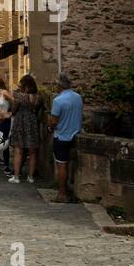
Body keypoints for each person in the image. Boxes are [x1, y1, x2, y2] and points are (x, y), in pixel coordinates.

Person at [49, 73, 83, 202]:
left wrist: (49, 127)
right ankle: (69, 188)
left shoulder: (58, 100)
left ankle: (62, 193)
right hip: (75, 134)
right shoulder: (78, 97)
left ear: (59, 85)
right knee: (70, 163)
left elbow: (53, 121)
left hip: (62, 136)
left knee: (61, 165)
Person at [8, 74, 41, 183]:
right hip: (32, 122)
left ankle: (16, 176)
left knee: (19, 150)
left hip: (21, 122)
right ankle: (30, 177)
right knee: (32, 151)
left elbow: (13, 109)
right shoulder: (37, 97)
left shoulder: (19, 96)